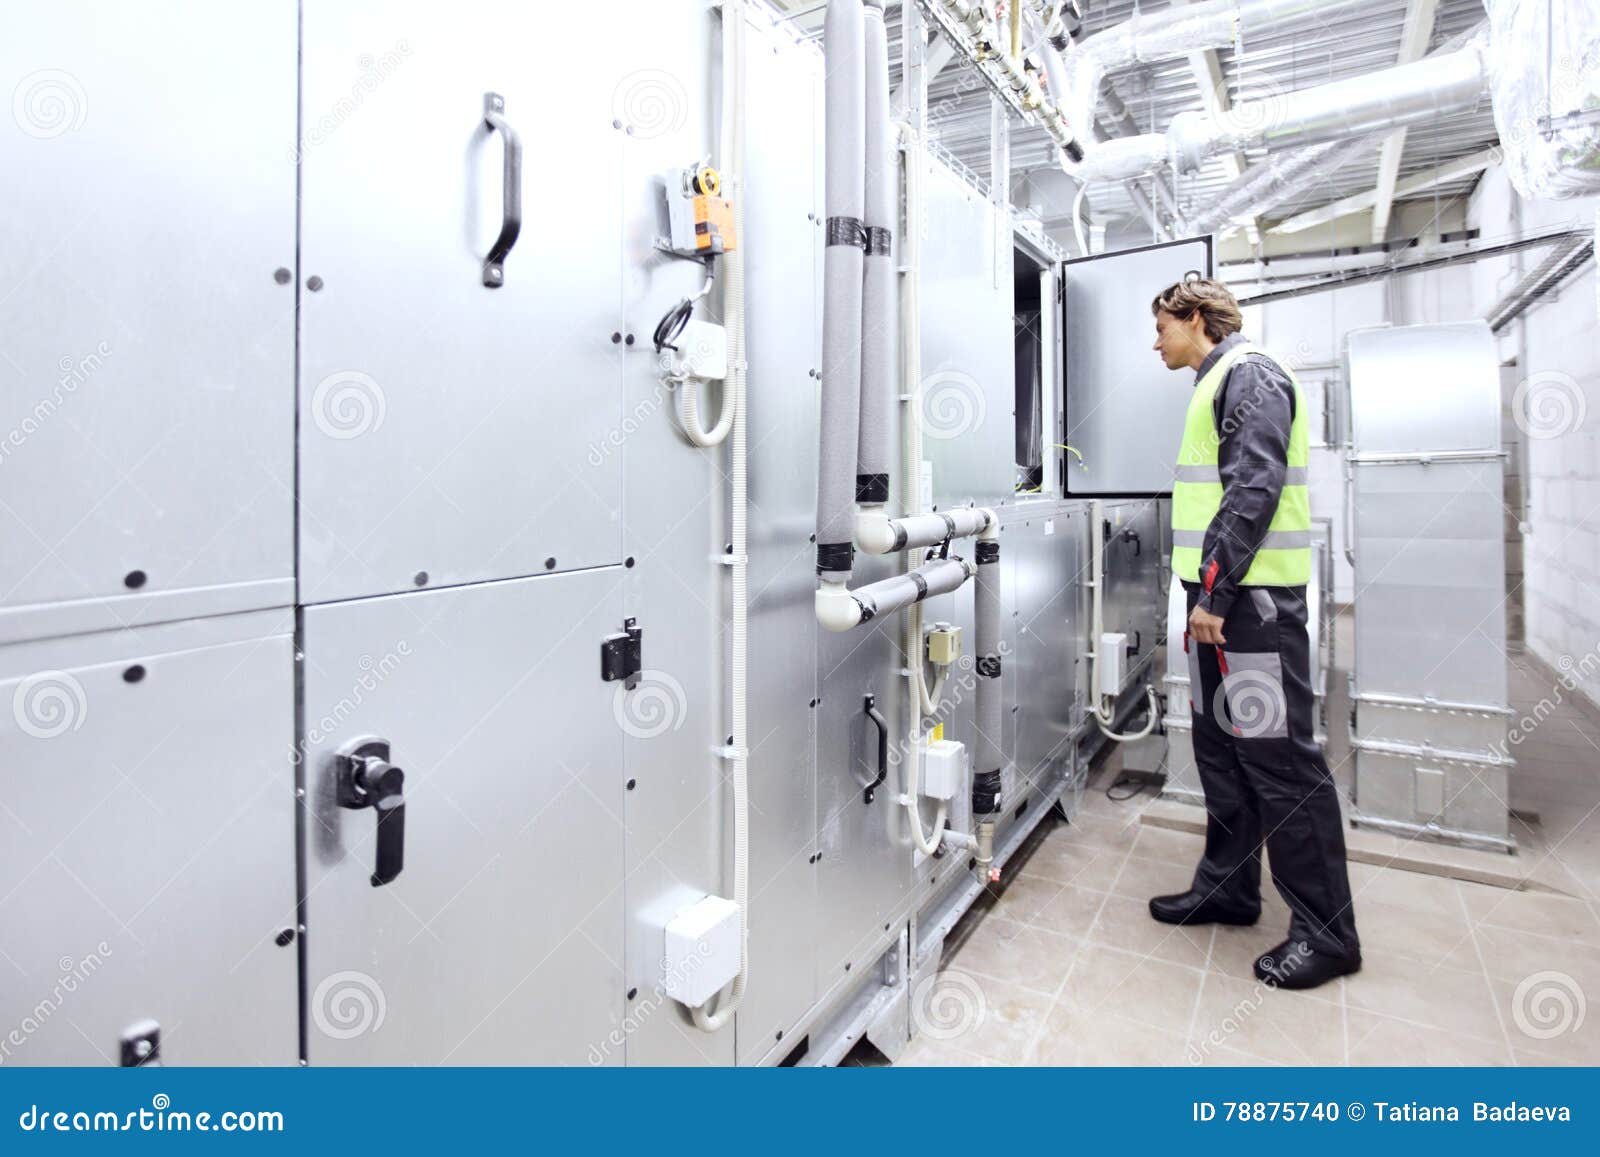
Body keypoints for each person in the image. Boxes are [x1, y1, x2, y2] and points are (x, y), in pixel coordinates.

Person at [1147, 278, 1361, 990]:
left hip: (1249, 608)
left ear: (1195, 318)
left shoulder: (1251, 375)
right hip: (1218, 605)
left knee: (1279, 761)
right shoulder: (1216, 382)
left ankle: (1327, 935)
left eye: (1163, 327)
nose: (1156, 342)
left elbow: (1253, 490)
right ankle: (1228, 888)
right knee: (1222, 749)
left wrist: (1215, 592)